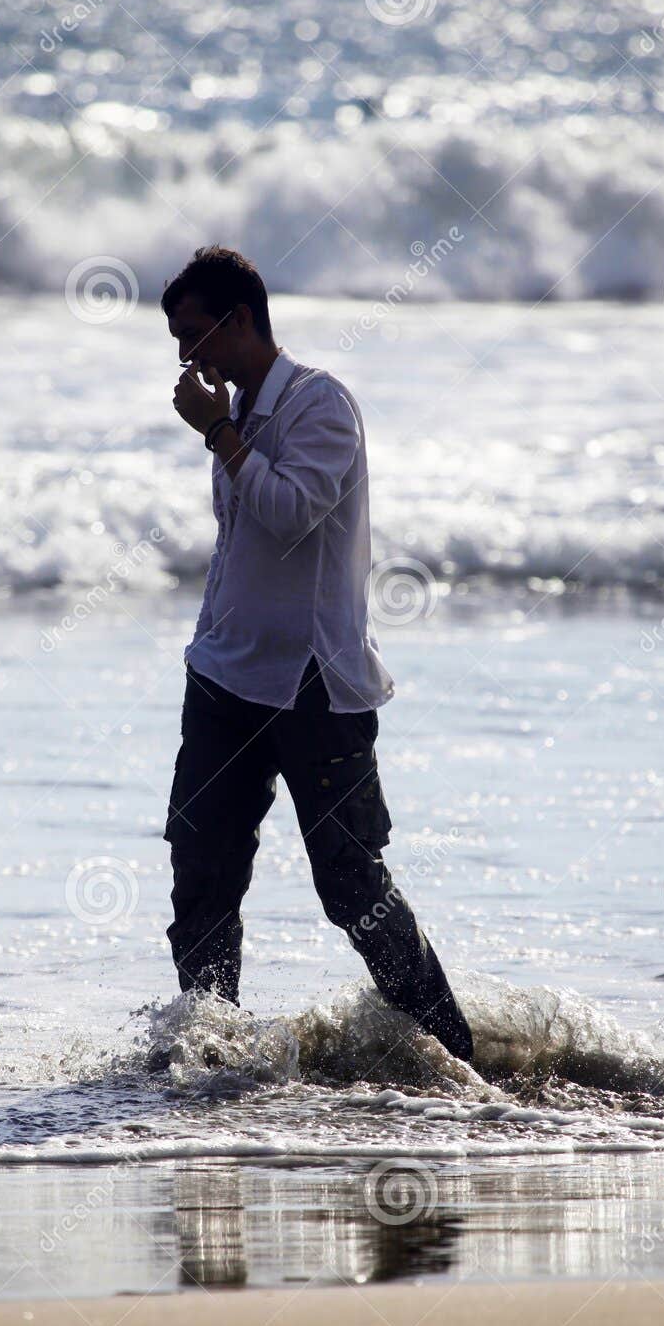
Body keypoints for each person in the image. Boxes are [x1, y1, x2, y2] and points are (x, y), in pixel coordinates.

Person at [160, 245, 473, 1063]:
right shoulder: (239, 419)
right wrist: (204, 644)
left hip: (314, 687)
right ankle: (212, 1057)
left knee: (350, 884)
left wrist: (220, 432)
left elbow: (291, 514)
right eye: (175, 340)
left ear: (240, 319)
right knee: (202, 877)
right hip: (226, 678)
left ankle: (454, 1054)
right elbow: (238, 551)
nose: (186, 357)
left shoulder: (319, 404)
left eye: (193, 334)